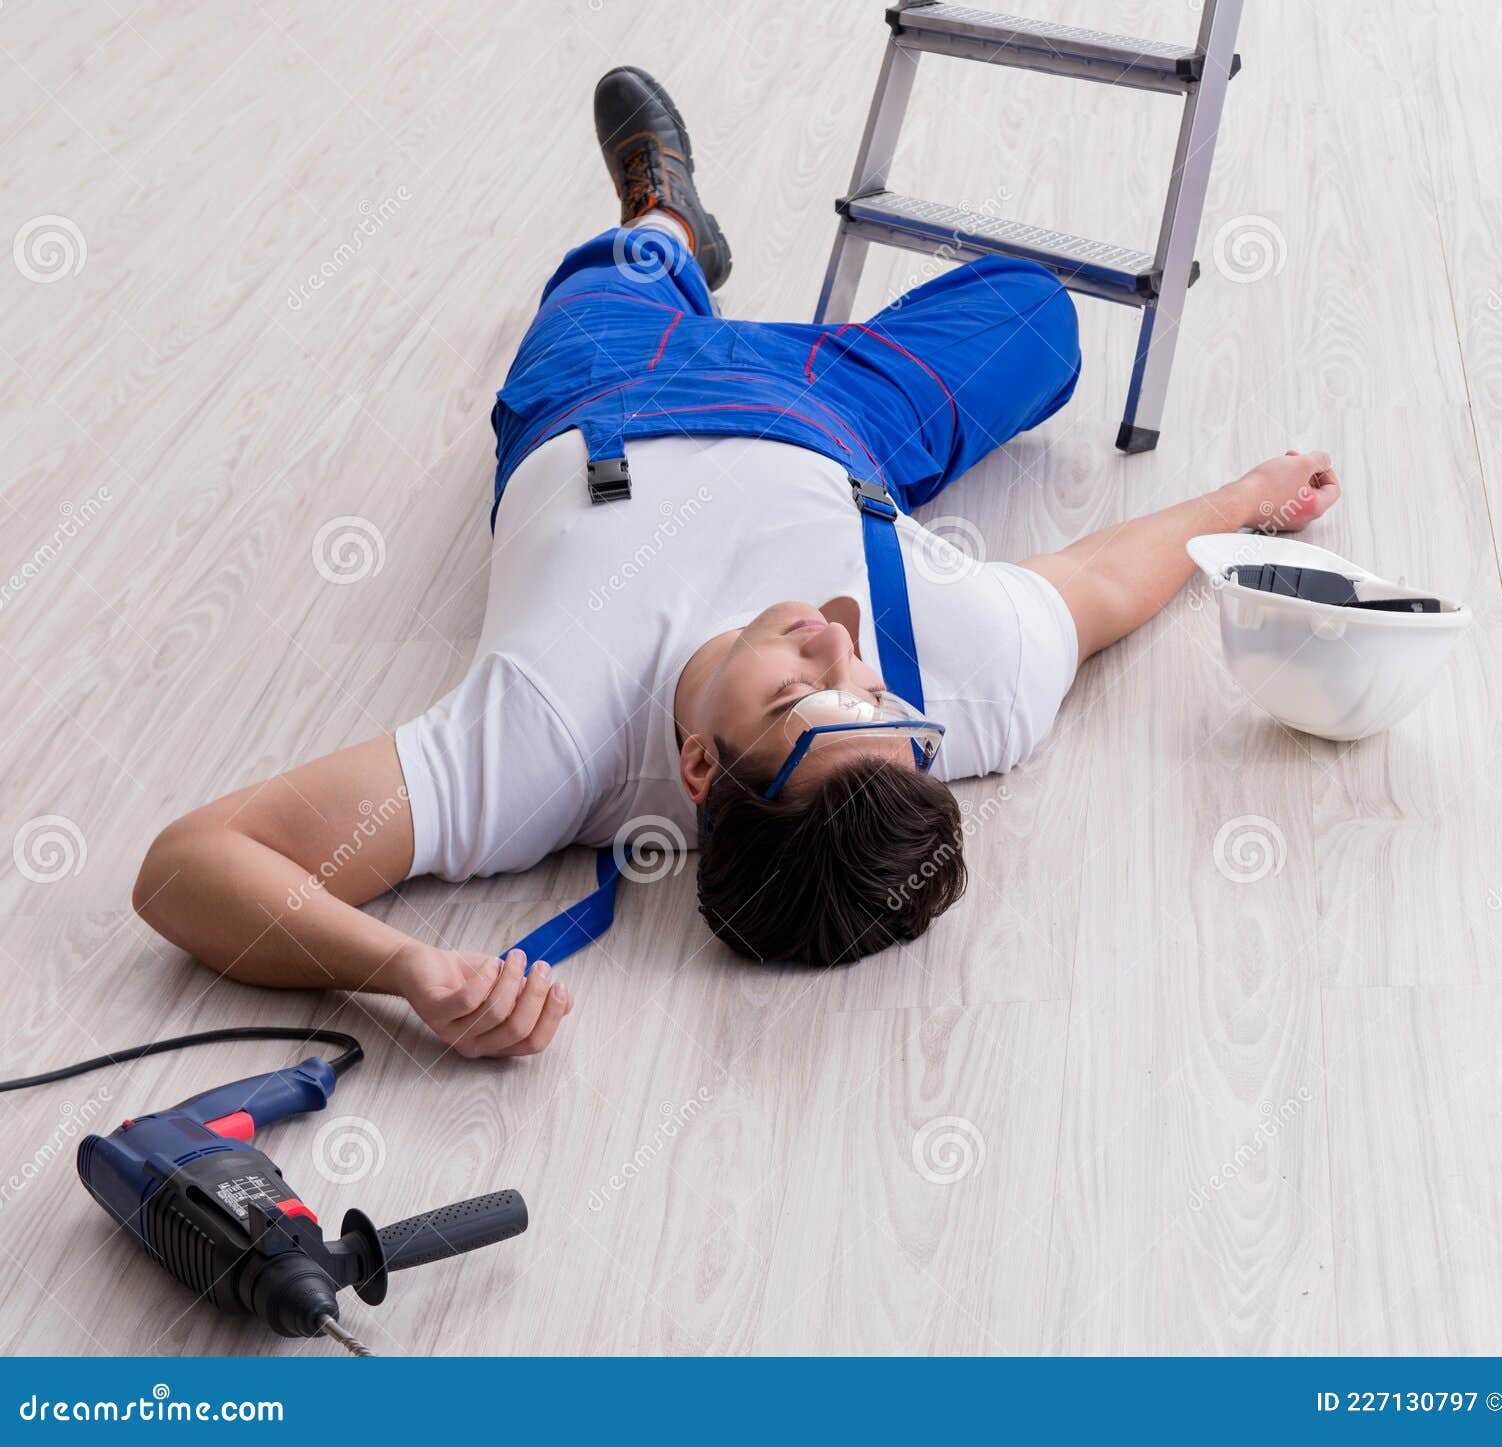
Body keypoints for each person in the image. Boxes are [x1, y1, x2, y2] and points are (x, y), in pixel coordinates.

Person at [132, 68, 1341, 1060]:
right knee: (1034, 314)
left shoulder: (541, 745)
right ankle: (757, 306)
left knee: (611, 277)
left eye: (798, 689)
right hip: (831, 416)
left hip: (608, 389)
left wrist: (401, 969)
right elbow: (1100, 585)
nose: (838, 637)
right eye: (873, 688)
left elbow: (188, 867)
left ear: (698, 764)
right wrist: (1249, 502)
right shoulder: (972, 690)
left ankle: (665, 229)